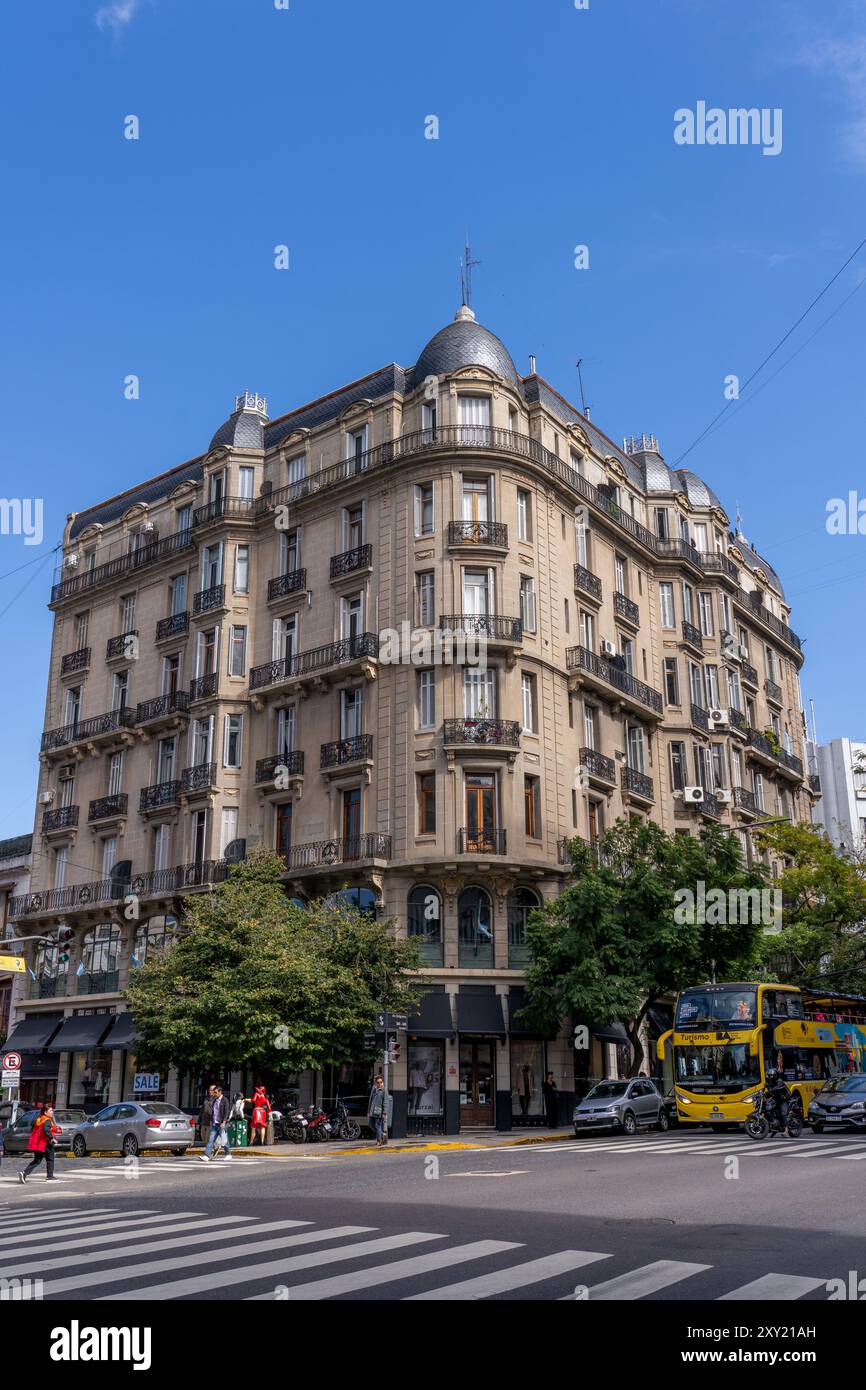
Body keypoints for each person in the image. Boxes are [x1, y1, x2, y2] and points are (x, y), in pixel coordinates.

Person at [19, 1104, 58, 1183]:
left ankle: (24, 1173)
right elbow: (46, 1130)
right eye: (50, 1110)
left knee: (37, 1160)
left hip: (38, 1143)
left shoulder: (39, 1119)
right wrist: (52, 1138)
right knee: (50, 1159)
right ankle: (50, 1176)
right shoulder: (47, 1120)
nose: (52, 1112)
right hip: (46, 1143)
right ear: (45, 1112)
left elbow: (33, 1129)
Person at [200, 1084, 232, 1162]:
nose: (214, 1094)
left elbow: (226, 1112)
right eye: (214, 1092)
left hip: (222, 1124)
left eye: (215, 1092)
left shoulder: (225, 1100)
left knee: (224, 1140)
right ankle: (207, 1155)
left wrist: (224, 1122)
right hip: (215, 1124)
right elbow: (213, 1112)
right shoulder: (214, 1100)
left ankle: (228, 1154)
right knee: (211, 1140)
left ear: (220, 1092)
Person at [764, 1069, 791, 1134]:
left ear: (775, 1076)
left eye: (771, 1076)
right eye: (769, 1076)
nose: (770, 1077)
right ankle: (774, 1125)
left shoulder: (780, 1081)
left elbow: (775, 1088)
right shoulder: (768, 1083)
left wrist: (769, 1091)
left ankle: (786, 1130)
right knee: (767, 1109)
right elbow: (767, 1091)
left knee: (783, 1113)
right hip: (776, 1099)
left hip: (784, 1099)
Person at [368, 1074, 391, 1146]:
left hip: (379, 1112)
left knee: (377, 1126)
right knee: (371, 1125)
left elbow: (385, 1103)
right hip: (372, 1111)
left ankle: (379, 1141)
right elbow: (370, 1100)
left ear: (383, 1082)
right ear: (375, 1083)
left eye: (381, 1082)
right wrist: (368, 1111)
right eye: (378, 1082)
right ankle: (383, 1135)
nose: (380, 1084)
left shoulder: (384, 1091)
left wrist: (384, 1113)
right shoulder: (373, 1089)